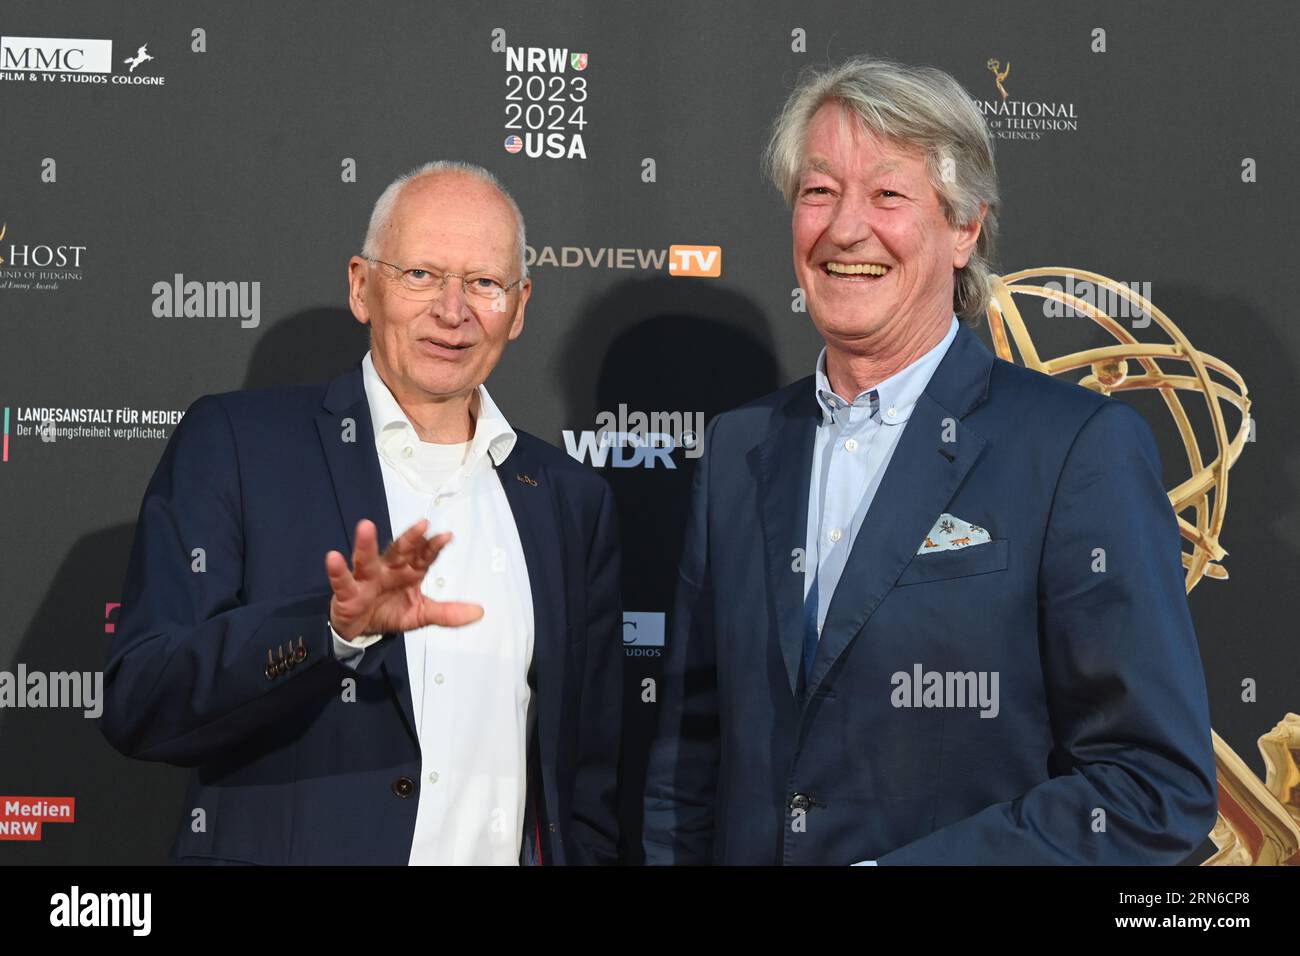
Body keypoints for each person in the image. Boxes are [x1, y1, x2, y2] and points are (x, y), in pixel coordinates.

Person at [643, 57, 1217, 865]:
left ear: (963, 228)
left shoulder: (1074, 449)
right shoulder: (741, 448)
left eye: (888, 194)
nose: (846, 228)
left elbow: (1153, 785)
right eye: (818, 192)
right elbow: (687, 764)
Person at [102, 161, 623, 865]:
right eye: (420, 275)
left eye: (484, 283)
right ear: (360, 286)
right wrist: (330, 628)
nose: (453, 310)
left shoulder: (568, 498)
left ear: (520, 305)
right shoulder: (236, 445)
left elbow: (584, 783)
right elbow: (143, 700)